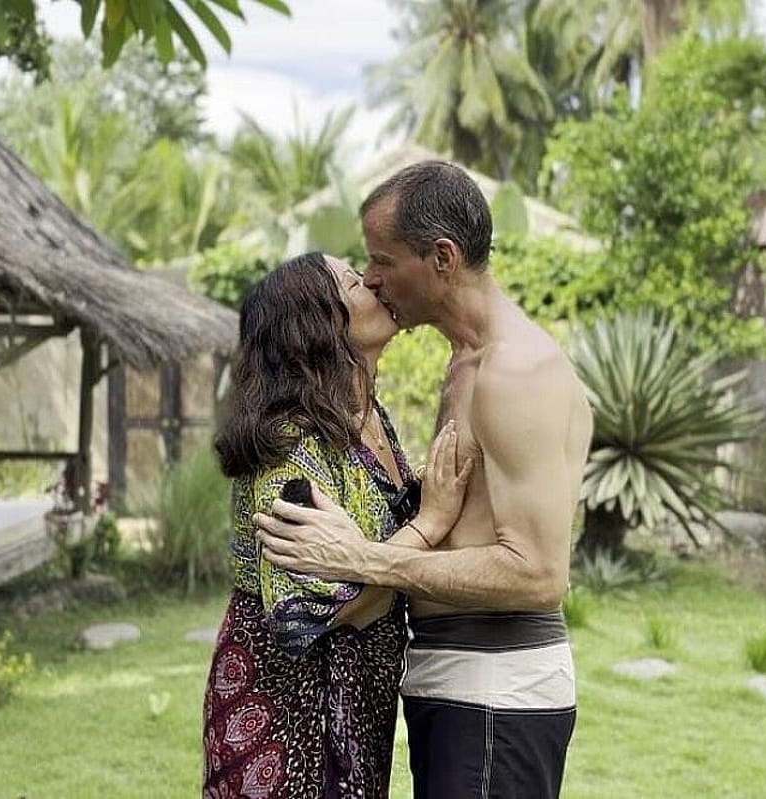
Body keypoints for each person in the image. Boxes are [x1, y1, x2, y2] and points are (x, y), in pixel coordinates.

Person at [255, 161, 594, 799]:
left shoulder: (516, 374)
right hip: (457, 686)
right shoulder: (464, 363)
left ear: (442, 257)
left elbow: (539, 572)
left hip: (497, 695)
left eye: (381, 260)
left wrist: (365, 559)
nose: (372, 279)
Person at [201, 251, 472, 798]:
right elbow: (311, 610)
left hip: (354, 702)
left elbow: (370, 559)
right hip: (286, 715)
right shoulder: (291, 450)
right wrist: (431, 521)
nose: (374, 282)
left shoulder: (368, 417)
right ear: (321, 323)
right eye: (354, 281)